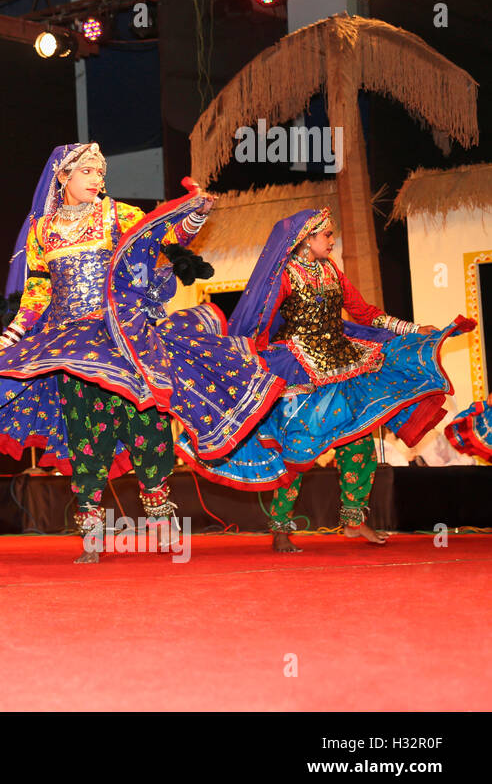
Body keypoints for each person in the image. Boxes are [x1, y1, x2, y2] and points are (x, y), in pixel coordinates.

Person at [0, 143, 284, 562]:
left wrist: (195, 213)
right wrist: (9, 338)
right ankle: (92, 529)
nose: (97, 179)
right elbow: (38, 291)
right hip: (68, 344)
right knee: (84, 431)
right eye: (87, 171)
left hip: (121, 335)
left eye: (100, 172)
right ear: (63, 177)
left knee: (145, 421)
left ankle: (159, 514)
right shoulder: (42, 230)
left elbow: (164, 238)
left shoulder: (117, 214)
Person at [178, 208, 471, 552]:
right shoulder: (285, 276)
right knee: (299, 449)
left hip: (344, 364)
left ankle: (353, 521)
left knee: (358, 441)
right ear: (306, 239)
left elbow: (365, 312)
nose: (332, 240)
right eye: (327, 235)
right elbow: (259, 322)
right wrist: (252, 367)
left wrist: (412, 329)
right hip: (301, 371)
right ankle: (280, 526)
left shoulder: (331, 270)